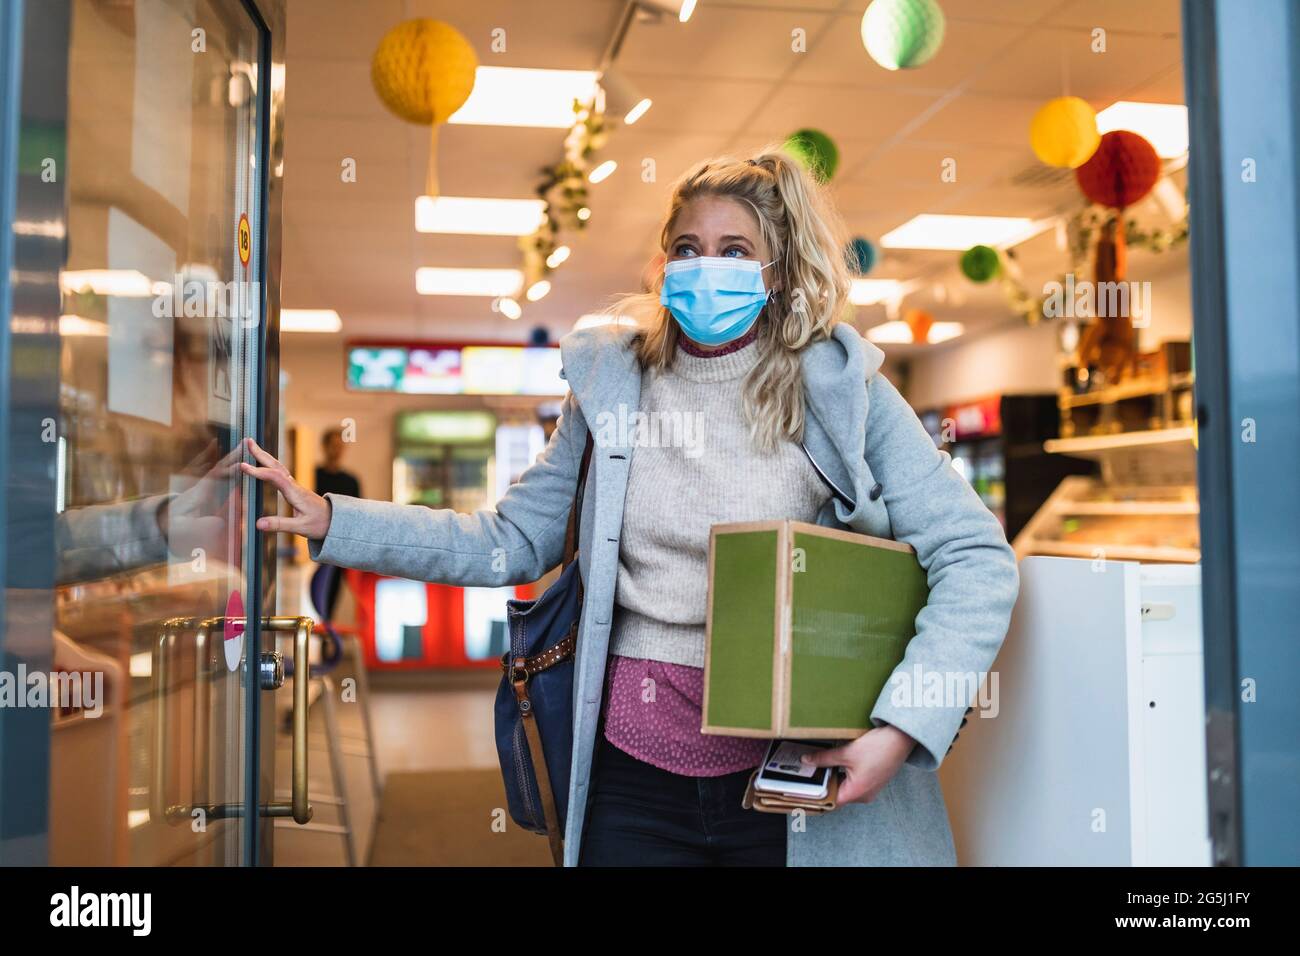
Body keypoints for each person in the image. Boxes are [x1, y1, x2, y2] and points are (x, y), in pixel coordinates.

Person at [241, 146, 1019, 867]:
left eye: (734, 251)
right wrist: (336, 521)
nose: (703, 268)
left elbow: (976, 556)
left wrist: (901, 728)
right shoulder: (613, 384)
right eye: (686, 248)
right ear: (662, 263)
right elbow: (512, 540)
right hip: (630, 779)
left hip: (794, 779)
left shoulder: (844, 393)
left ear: (776, 273)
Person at [313, 428, 361, 618]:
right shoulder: (313, 474)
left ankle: (326, 639)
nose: (336, 450)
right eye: (332, 445)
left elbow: (358, 514)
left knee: (331, 598)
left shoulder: (351, 481)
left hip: (340, 547)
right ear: (324, 447)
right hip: (317, 543)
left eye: (340, 446)